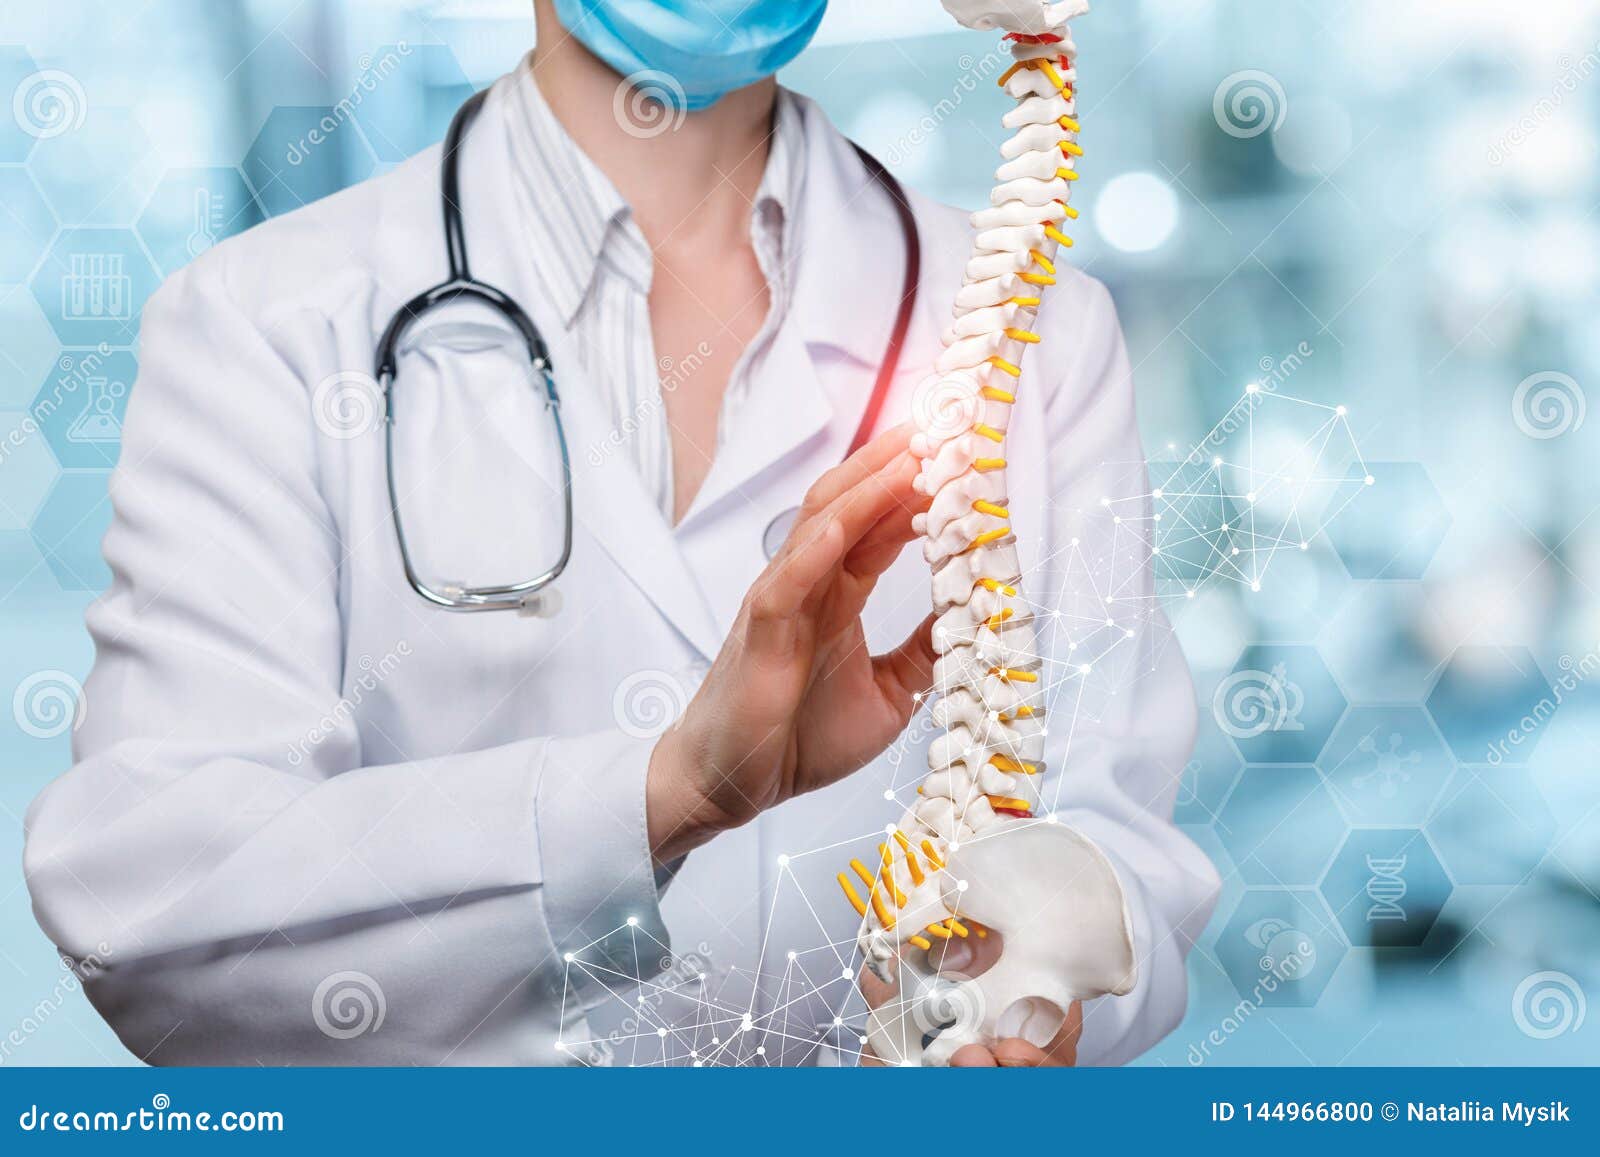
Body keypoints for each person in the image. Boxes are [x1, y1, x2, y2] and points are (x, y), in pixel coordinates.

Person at [24, 0, 1218, 1066]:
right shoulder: (270, 325)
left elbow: (1121, 847)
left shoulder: (1034, 332)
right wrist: (666, 791)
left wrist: (1036, 990)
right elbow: (154, 899)